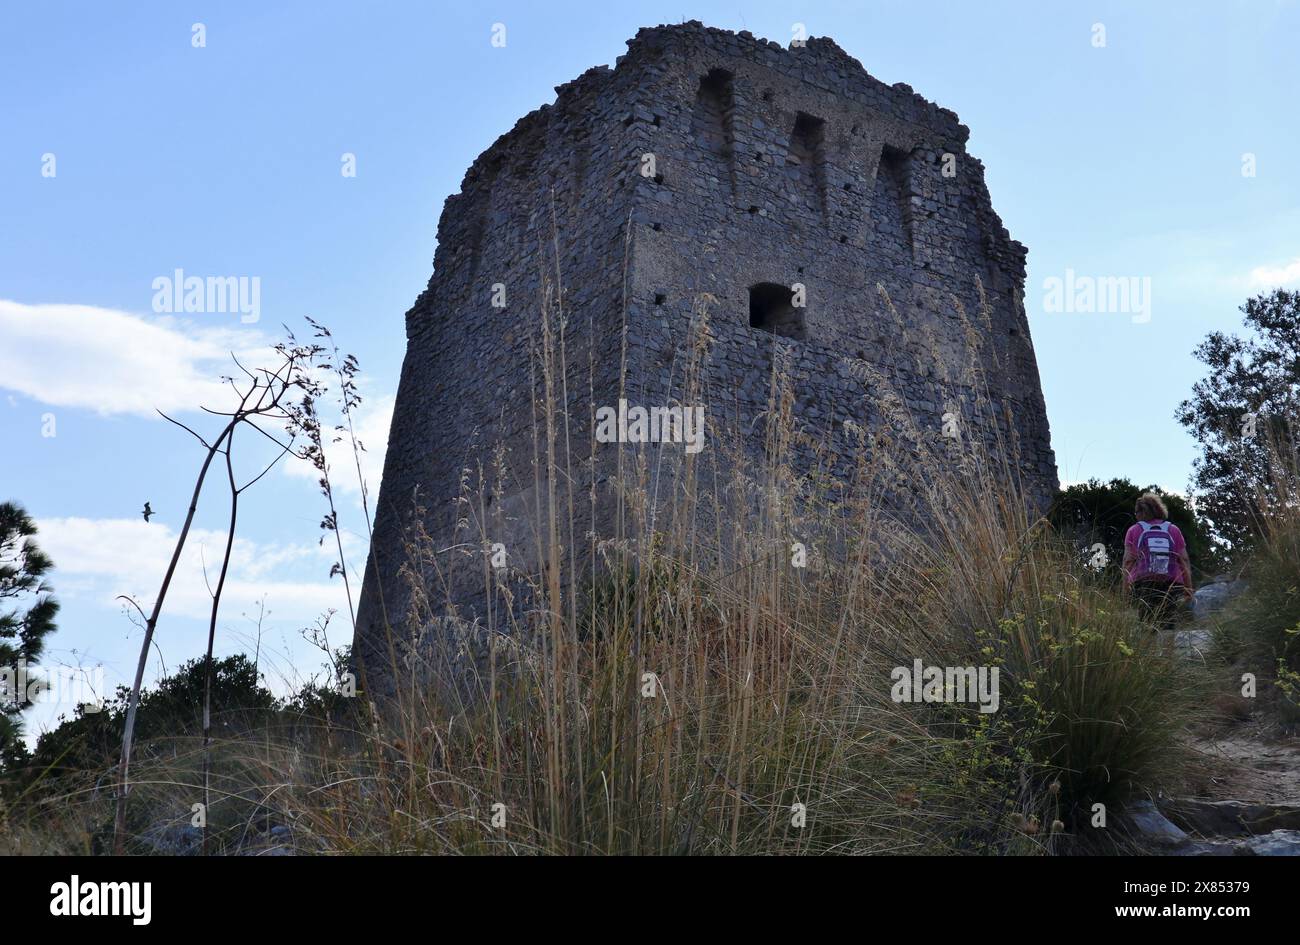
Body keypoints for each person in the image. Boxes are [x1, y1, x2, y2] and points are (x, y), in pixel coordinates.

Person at [1122, 492, 1194, 630]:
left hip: (1143, 581)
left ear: (1142, 512)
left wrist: (1125, 590)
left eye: (1136, 512)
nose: (1135, 515)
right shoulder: (1173, 529)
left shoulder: (1134, 530)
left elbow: (1127, 561)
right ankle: (1168, 651)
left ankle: (1149, 649)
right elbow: (1183, 559)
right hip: (1170, 582)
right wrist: (1188, 587)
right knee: (1168, 622)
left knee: (1147, 623)